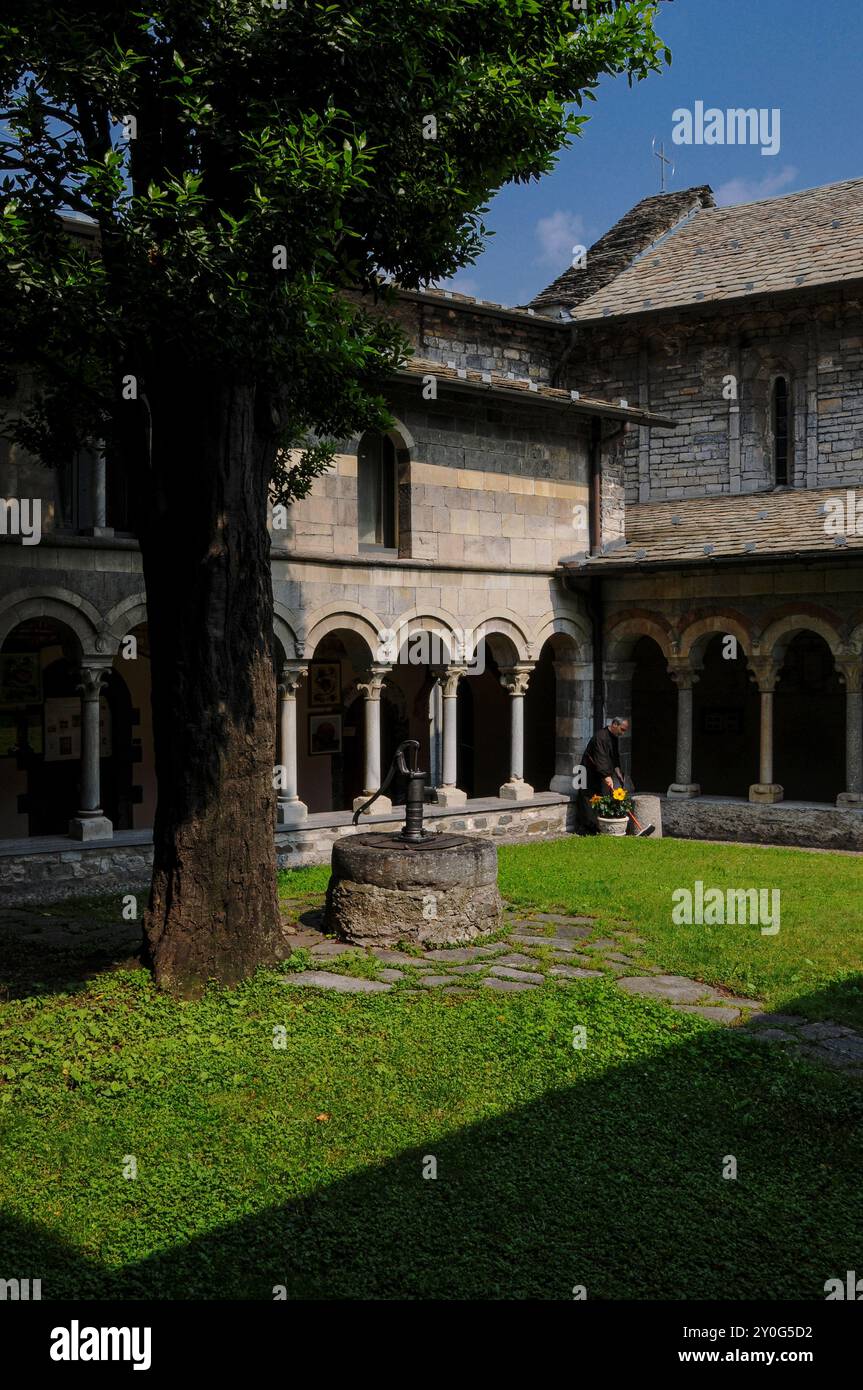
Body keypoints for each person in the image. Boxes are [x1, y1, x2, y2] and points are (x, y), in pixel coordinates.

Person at [577, 717, 654, 836]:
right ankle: (587, 828)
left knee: (601, 796)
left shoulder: (613, 737)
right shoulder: (600, 736)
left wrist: (617, 770)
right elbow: (600, 757)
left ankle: (598, 826)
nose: (623, 733)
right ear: (614, 724)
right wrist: (606, 776)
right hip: (588, 772)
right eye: (622, 729)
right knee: (587, 798)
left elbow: (614, 756)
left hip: (600, 772)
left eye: (625, 730)